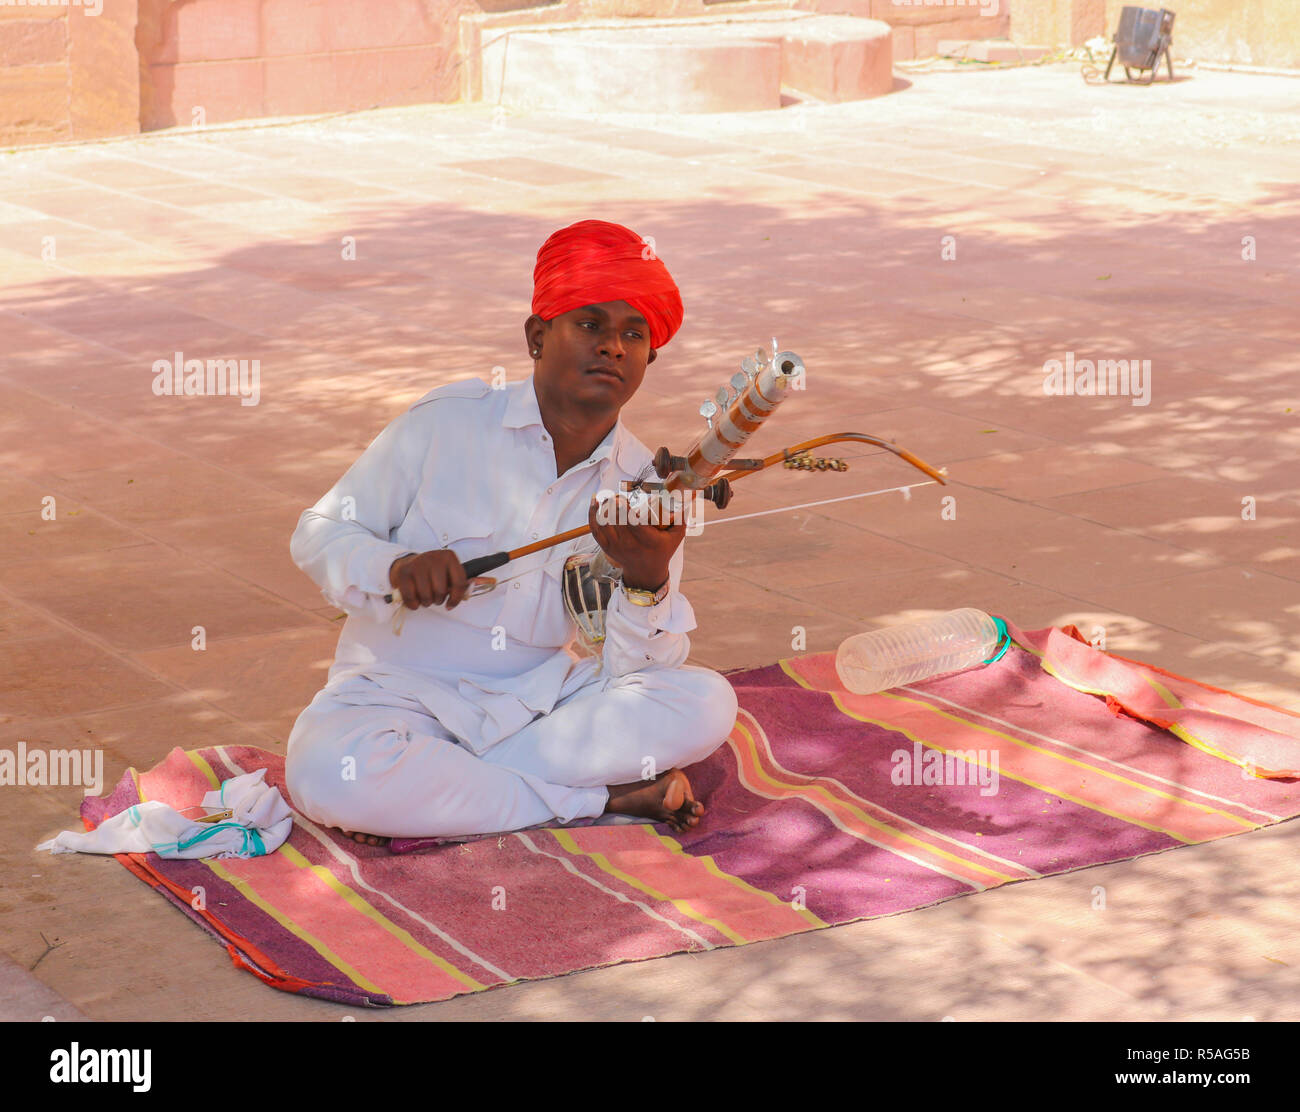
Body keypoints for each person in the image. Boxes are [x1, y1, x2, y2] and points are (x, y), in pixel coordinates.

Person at [284, 219, 739, 847]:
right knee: (328, 773)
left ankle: (449, 796)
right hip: (397, 698)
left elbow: (635, 671)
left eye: (633, 335)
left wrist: (648, 581)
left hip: (543, 708)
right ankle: (594, 800)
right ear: (536, 336)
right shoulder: (448, 421)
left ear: (648, 360)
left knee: (705, 702)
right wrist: (393, 567)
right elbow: (318, 533)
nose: (612, 347)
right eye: (590, 326)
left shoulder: (644, 488)